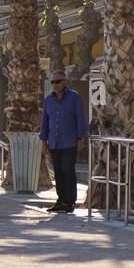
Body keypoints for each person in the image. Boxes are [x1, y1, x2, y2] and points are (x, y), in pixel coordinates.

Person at [40, 69, 87, 213]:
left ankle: (70, 202)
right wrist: (44, 142)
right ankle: (61, 201)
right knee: (58, 173)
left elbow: (80, 118)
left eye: (58, 81)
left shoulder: (74, 97)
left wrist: (81, 137)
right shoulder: (48, 100)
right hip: (54, 142)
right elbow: (45, 122)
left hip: (69, 142)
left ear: (64, 82)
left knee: (68, 170)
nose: (55, 84)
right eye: (53, 82)